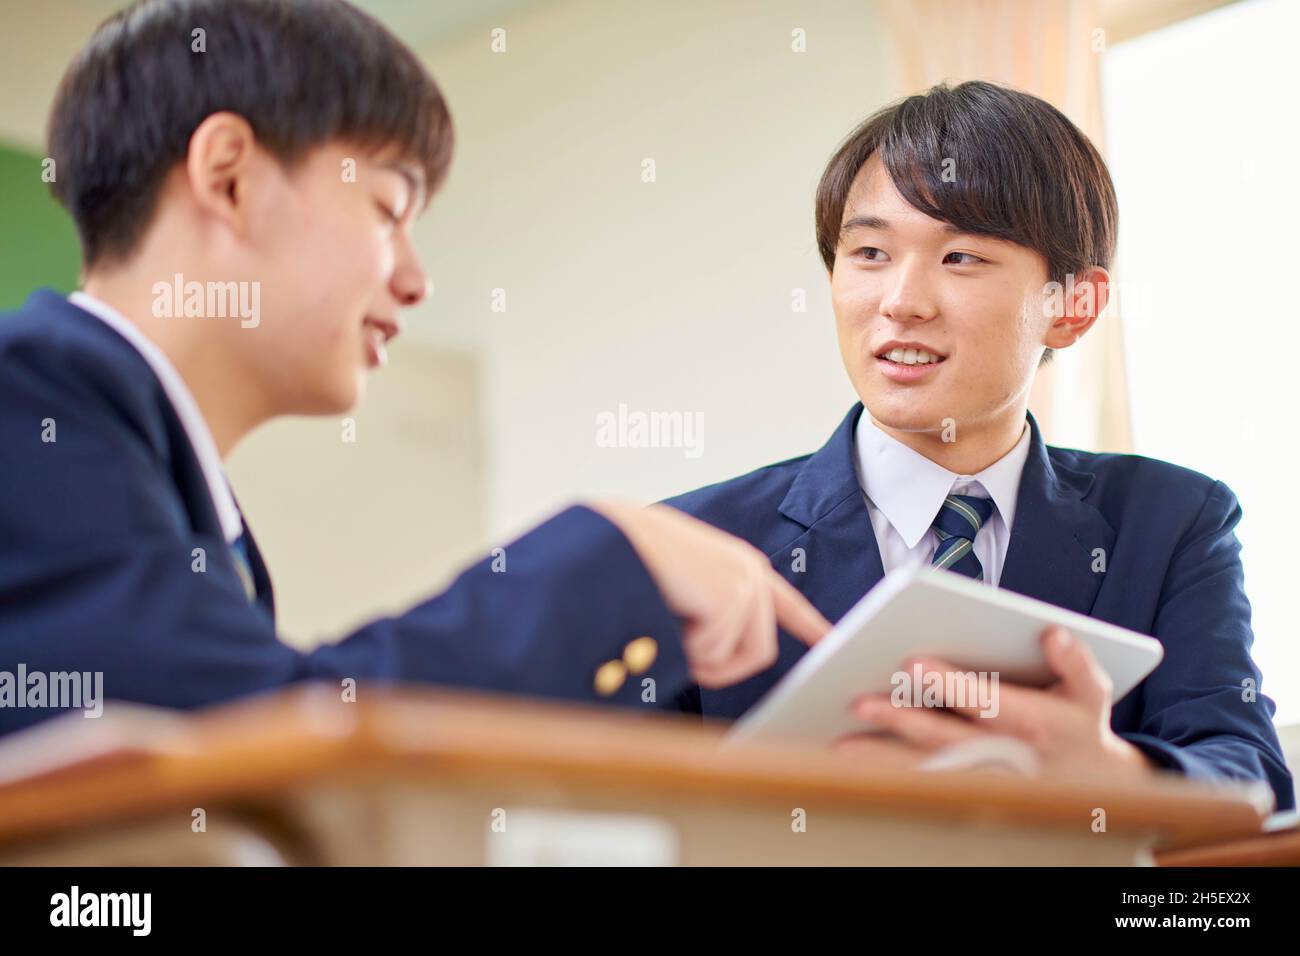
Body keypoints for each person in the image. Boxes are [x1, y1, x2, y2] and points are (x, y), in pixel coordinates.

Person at [0, 0, 831, 737]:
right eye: (389, 209)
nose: (416, 279)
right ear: (229, 177)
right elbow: (241, 743)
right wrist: (613, 555)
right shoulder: (25, 393)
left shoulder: (161, 484)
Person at [665, 80, 1294, 810]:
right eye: (869, 251)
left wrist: (1113, 775)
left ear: (1071, 306)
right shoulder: (695, 542)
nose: (901, 300)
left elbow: (1247, 773)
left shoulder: (1173, 520)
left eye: (960, 258)